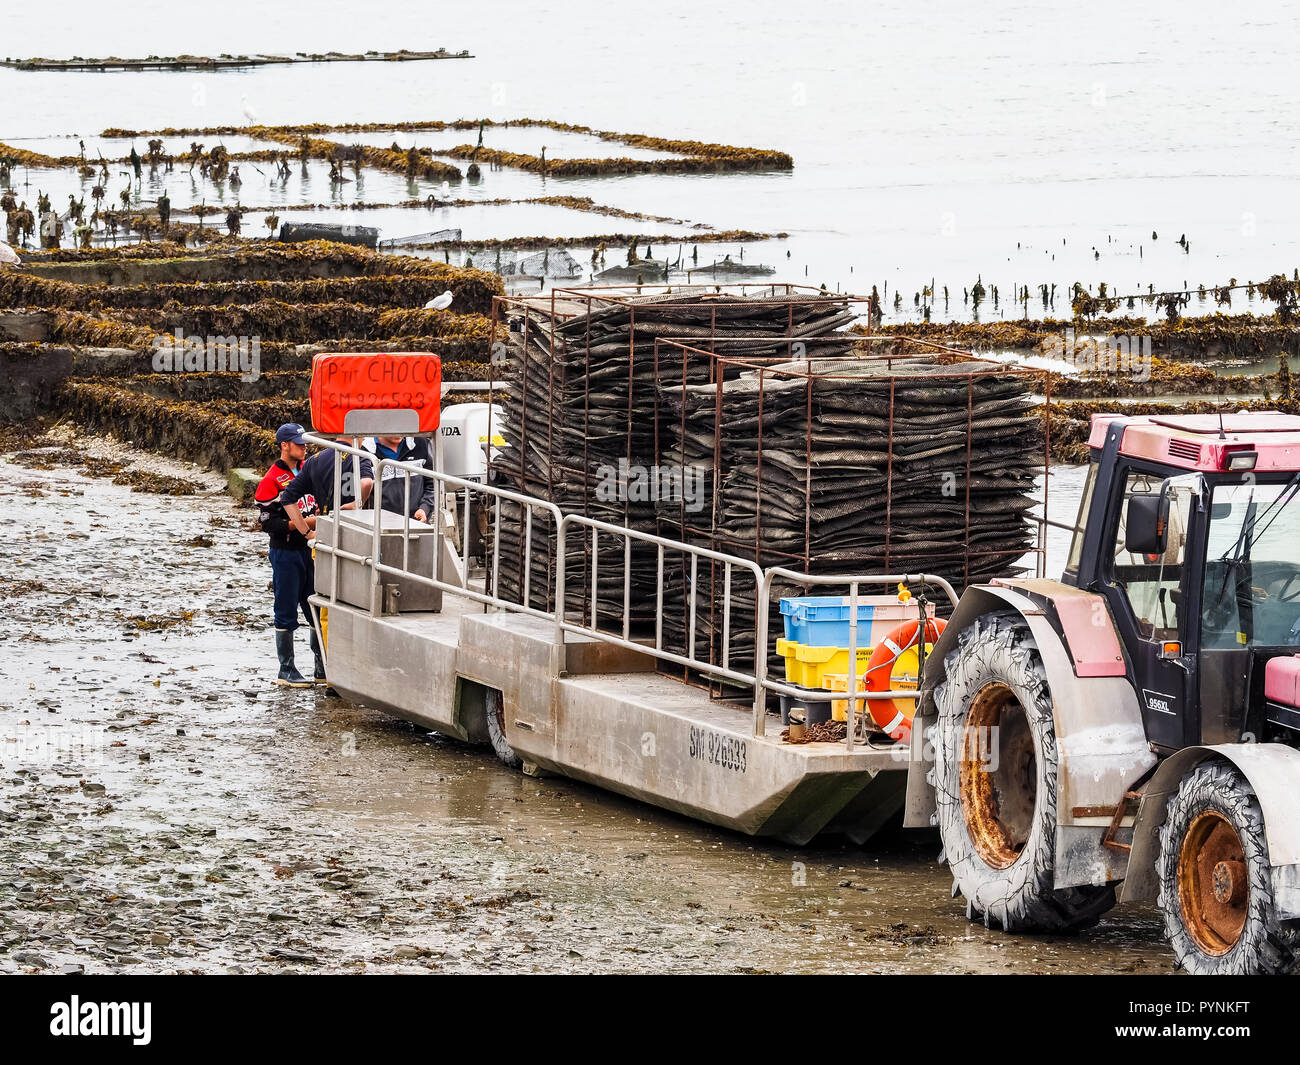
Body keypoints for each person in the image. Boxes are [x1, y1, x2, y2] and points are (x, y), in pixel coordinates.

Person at [255, 423, 316, 688]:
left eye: (305, 443)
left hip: (311, 551)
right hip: (285, 552)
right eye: (298, 443)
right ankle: (286, 669)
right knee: (286, 608)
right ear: (284, 445)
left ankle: (322, 666)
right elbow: (268, 524)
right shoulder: (270, 480)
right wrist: (302, 524)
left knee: (316, 606)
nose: (304, 447)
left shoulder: (309, 471)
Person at [362, 435, 436, 521]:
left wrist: (424, 508)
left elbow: (433, 484)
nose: (398, 432)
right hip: (378, 525)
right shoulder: (364, 449)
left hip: (416, 523)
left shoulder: (421, 444)